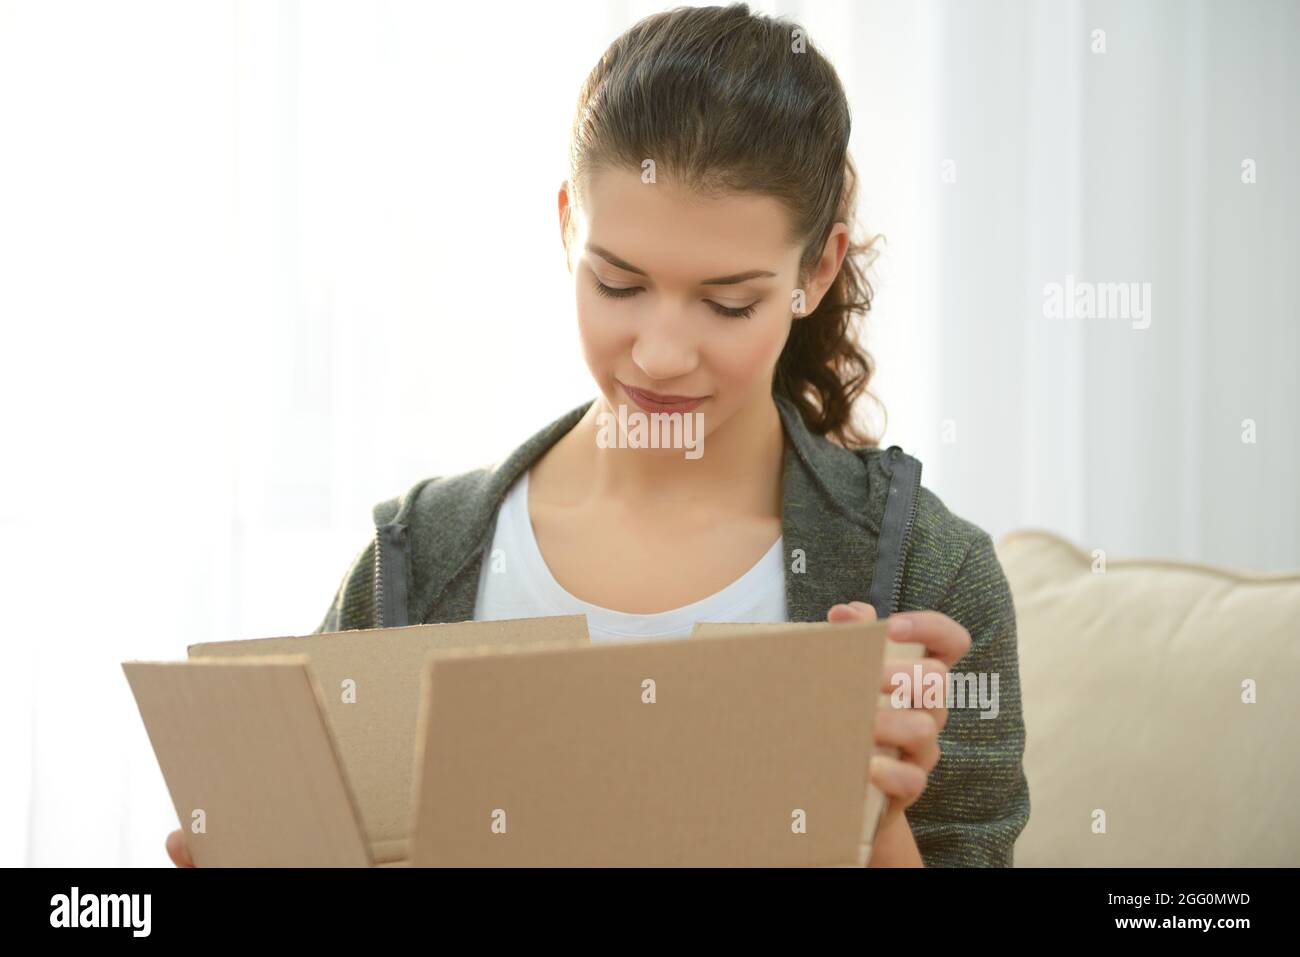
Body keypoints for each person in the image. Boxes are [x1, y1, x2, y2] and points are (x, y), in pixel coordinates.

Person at [168, 2, 1028, 868]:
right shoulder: (418, 559)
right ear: (566, 228)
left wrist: (870, 809)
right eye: (618, 284)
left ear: (817, 269)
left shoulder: (929, 576)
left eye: (729, 304)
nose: (657, 356)